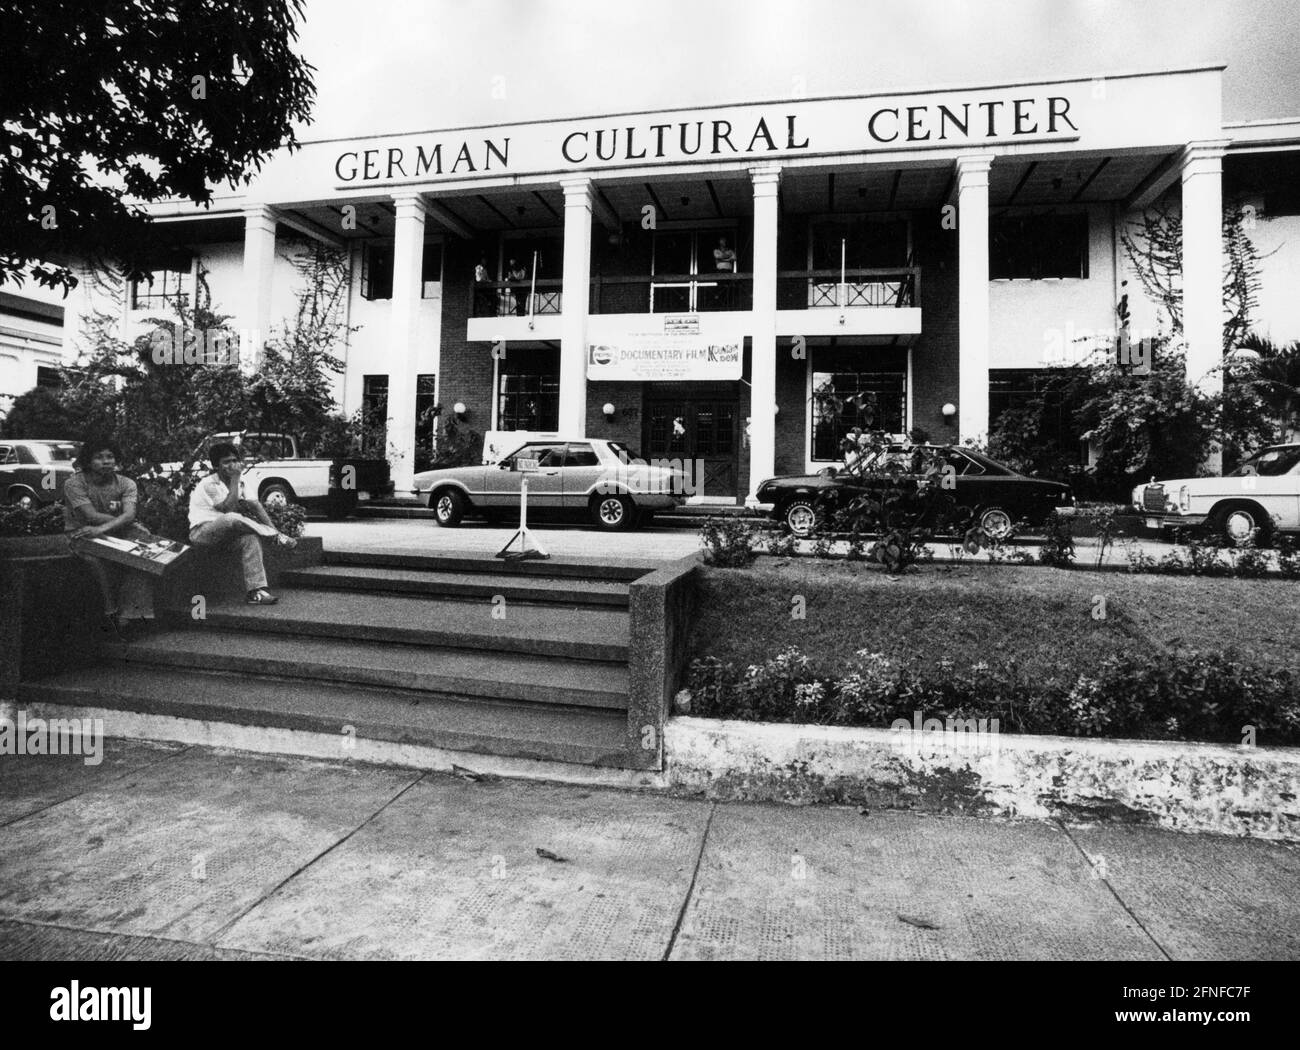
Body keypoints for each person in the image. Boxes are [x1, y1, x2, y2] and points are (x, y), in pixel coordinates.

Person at [64, 437, 157, 639]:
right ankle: (111, 613)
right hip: (83, 533)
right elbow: (90, 516)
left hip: (115, 531)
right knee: (95, 560)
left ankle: (132, 617)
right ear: (87, 461)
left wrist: (113, 526)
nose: (106, 461)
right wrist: (122, 522)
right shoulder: (74, 483)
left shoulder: (126, 483)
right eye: (99, 457)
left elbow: (130, 513)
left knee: (145, 556)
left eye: (110, 457)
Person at [188, 441, 296, 605]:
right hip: (203, 533)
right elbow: (227, 508)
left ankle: (256, 592)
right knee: (231, 517)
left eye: (234, 460)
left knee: (250, 540)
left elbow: (256, 506)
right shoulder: (208, 484)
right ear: (216, 466)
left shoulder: (242, 481)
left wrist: (275, 531)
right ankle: (274, 536)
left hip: (227, 536)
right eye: (226, 462)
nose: (232, 465)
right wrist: (235, 478)